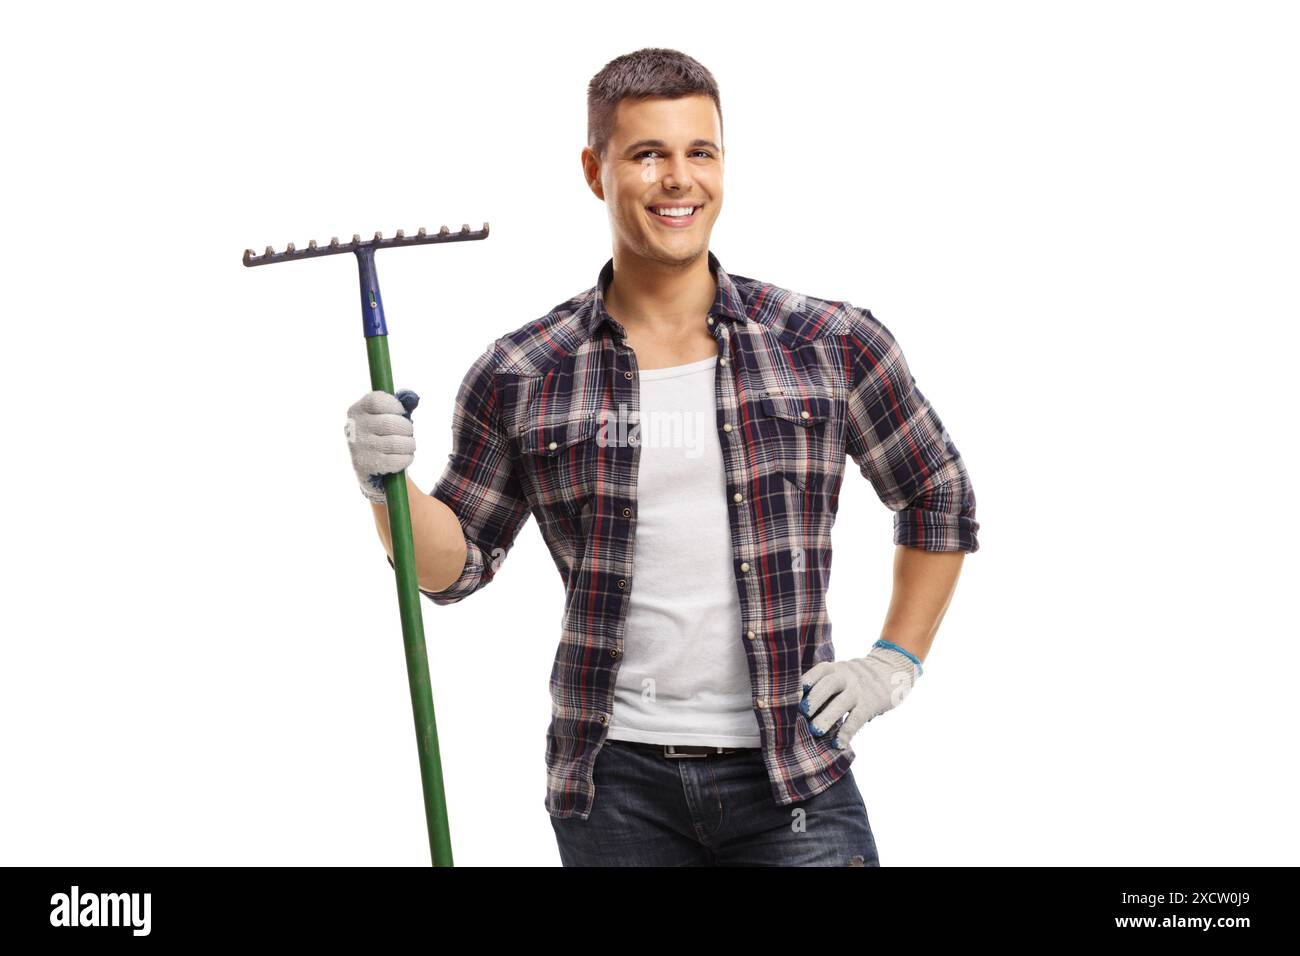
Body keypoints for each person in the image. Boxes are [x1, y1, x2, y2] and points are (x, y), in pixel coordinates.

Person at [344, 47, 979, 866]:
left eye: (699, 152)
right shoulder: (524, 372)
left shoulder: (827, 343)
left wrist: (892, 663)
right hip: (615, 793)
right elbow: (452, 568)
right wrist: (381, 485)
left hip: (794, 776)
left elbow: (937, 494)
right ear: (594, 169)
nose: (678, 179)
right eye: (648, 154)